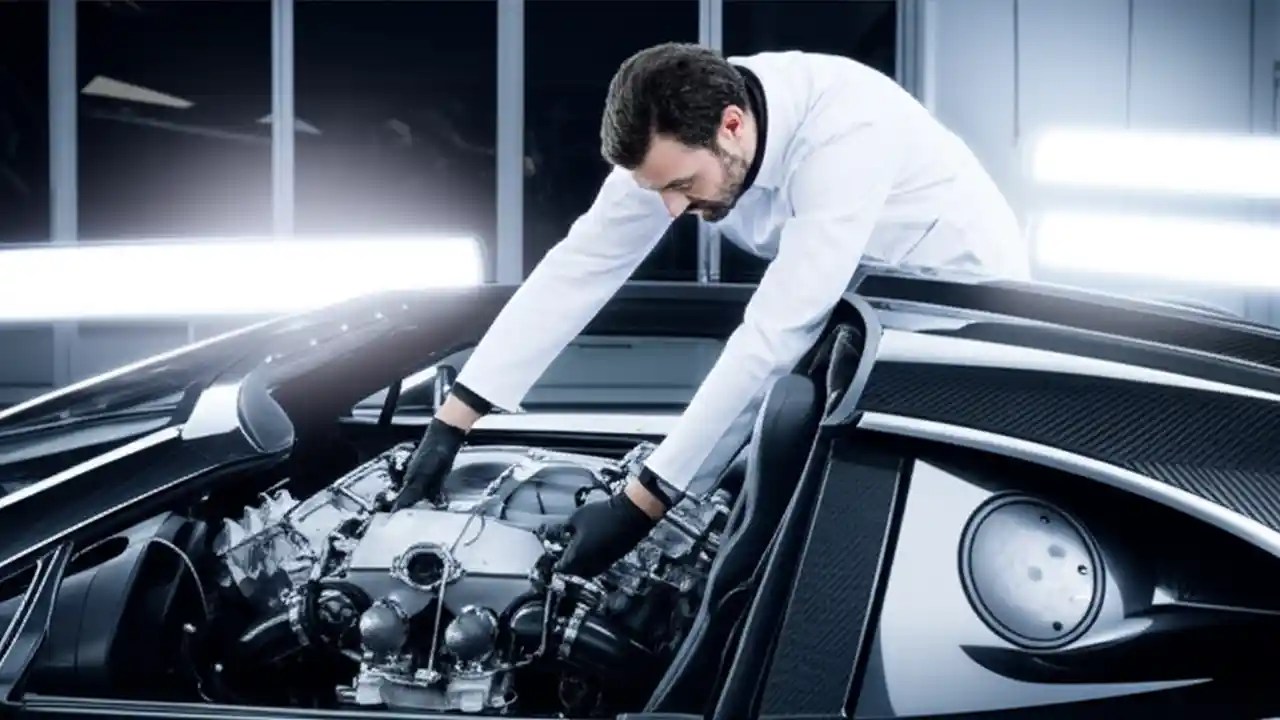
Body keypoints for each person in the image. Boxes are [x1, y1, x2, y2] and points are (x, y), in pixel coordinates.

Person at [392, 43, 1030, 578]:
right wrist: (449, 427)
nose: (671, 209)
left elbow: (776, 329)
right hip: (851, 307)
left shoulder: (847, 131)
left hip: (957, 318)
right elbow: (577, 270)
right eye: (657, 189)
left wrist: (640, 504)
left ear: (732, 125)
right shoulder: (670, 141)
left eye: (681, 187)